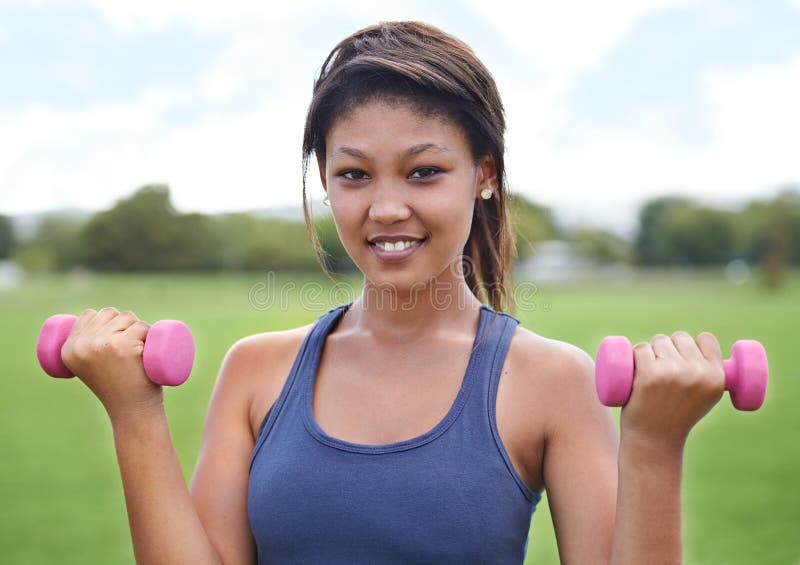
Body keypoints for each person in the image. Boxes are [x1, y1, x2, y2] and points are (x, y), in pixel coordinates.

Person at [60, 20, 726, 564]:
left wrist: (653, 446)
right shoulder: (256, 371)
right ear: (326, 179)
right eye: (354, 174)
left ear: (484, 174)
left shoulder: (552, 381)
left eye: (424, 171)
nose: (385, 207)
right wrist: (135, 415)